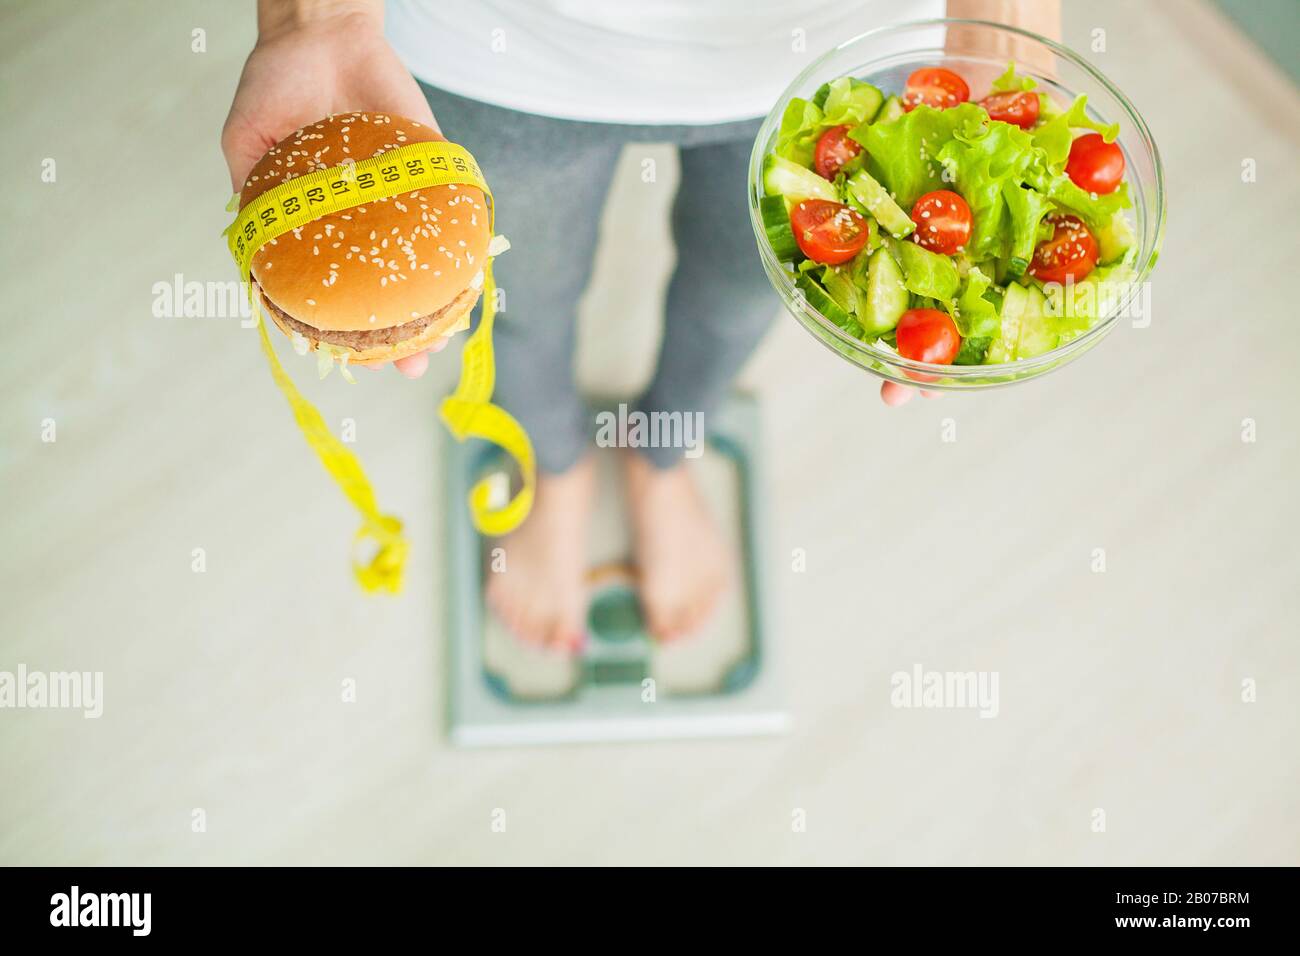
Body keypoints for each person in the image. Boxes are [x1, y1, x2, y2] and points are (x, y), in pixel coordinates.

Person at [223, 0, 1061, 652]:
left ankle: (663, 458)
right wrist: (316, 18)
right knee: (516, 304)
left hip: (842, 51)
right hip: (495, 50)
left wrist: (1007, 34)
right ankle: (553, 468)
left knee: (739, 297)